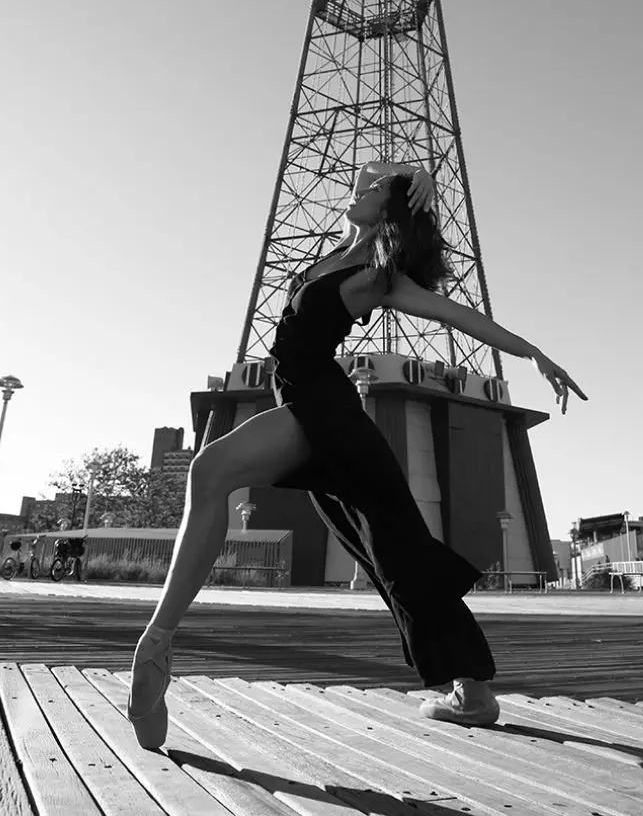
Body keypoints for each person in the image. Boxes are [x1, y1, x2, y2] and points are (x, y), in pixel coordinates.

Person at [127, 162, 586, 749]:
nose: (359, 187)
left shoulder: (379, 276)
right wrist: (412, 171)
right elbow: (373, 170)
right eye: (363, 184)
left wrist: (535, 355)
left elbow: (462, 317)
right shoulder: (334, 254)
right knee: (395, 552)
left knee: (208, 471)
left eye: (372, 191)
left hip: (326, 411)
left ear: (389, 213)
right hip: (314, 410)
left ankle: (157, 643)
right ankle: (472, 692)